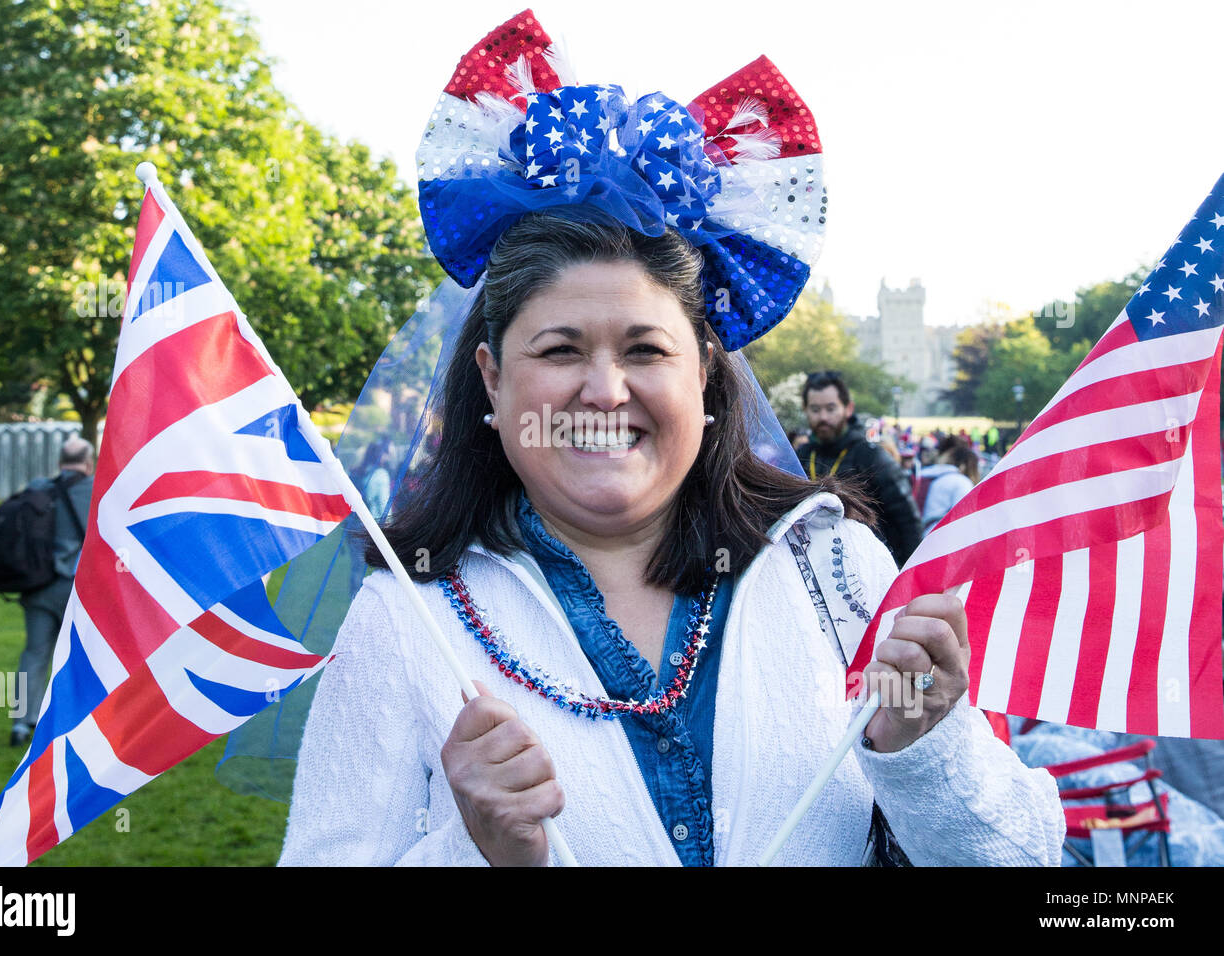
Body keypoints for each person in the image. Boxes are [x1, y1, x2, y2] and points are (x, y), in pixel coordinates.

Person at [278, 12, 1064, 866]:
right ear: (494, 383)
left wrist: (924, 749)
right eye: (559, 349)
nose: (605, 390)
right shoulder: (407, 617)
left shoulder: (836, 571)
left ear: (706, 378)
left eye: (647, 349)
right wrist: (477, 853)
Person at [10, 435, 93, 746]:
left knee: (33, 654)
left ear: (60, 463)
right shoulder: (98, 491)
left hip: (37, 587)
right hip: (76, 590)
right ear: (88, 463)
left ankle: (21, 724)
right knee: (79, 656)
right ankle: (74, 726)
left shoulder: (38, 490)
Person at [797, 371, 924, 565]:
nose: (823, 417)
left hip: (871, 568)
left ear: (848, 408)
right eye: (815, 409)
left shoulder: (871, 457)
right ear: (805, 409)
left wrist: (910, 575)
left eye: (831, 408)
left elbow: (907, 521)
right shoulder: (800, 457)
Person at [916, 435, 978, 535]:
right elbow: (965, 520)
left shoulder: (924, 474)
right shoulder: (961, 482)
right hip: (942, 539)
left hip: (917, 537)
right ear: (964, 465)